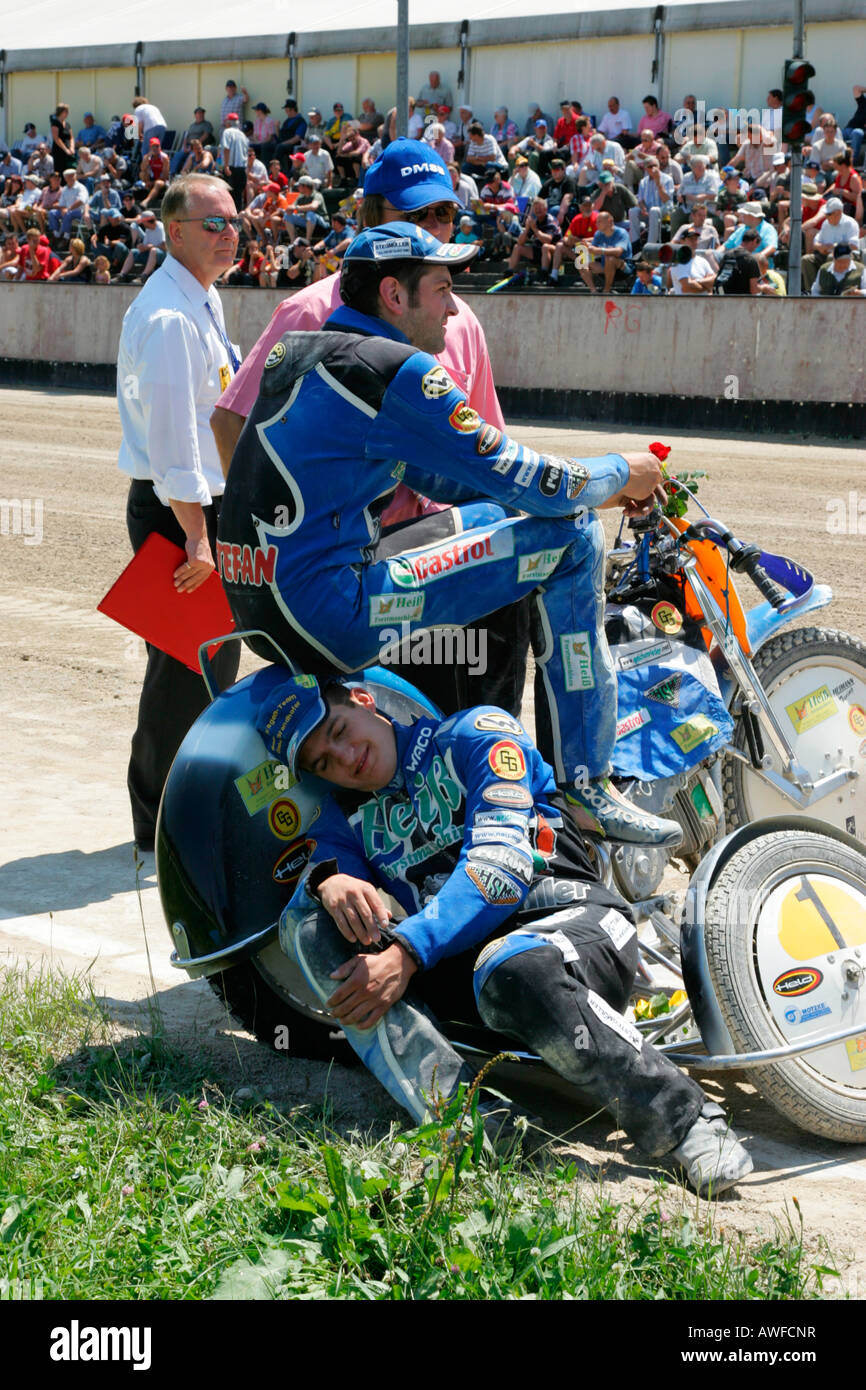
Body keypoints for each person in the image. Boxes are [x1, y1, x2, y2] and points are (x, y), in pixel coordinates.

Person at [217, 221, 682, 846]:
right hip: (328, 613)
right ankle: (586, 784)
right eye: (440, 288)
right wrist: (623, 470)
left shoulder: (309, 351)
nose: (454, 307)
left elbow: (462, 476)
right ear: (393, 295)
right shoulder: (397, 370)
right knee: (571, 535)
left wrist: (523, 494)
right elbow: (534, 481)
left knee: (520, 517)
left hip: (260, 606)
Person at [267, 675, 753, 1196]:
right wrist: (328, 877)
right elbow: (320, 856)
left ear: (365, 702)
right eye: (323, 763)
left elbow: (501, 868)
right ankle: (468, 1119)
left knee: (512, 967)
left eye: (340, 731)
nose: (344, 758)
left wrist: (406, 951)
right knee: (308, 921)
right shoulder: (348, 813)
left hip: (571, 927)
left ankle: (685, 1120)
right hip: (469, 973)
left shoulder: (476, 733)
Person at [210, 138, 528, 720]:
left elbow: (489, 450)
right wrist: (285, 535)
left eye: (445, 213)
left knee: (478, 727)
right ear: (370, 215)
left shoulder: (458, 319)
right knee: (377, 760)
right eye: (416, 214)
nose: (433, 225)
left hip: (445, 557)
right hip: (360, 575)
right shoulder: (310, 312)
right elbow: (233, 421)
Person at [115, 173, 242, 851]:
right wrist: (197, 536)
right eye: (213, 224)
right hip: (178, 512)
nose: (229, 235)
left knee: (209, 665)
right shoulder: (169, 316)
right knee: (184, 669)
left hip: (196, 507)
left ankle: (177, 812)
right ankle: (157, 825)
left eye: (233, 222)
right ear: (174, 231)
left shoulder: (200, 299)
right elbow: (174, 444)